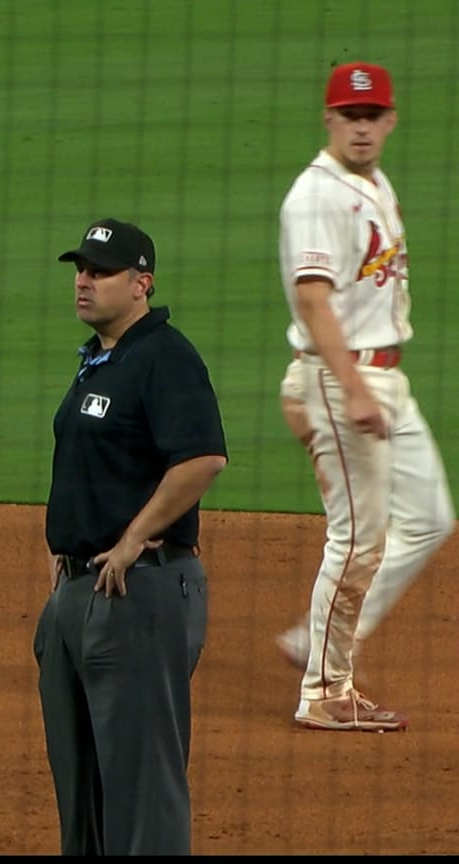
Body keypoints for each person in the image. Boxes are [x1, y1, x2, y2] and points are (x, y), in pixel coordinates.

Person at [271, 62, 455, 732]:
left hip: (384, 378)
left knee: (431, 516)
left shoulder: (372, 181)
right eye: (350, 115)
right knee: (357, 538)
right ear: (329, 119)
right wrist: (349, 389)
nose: (362, 126)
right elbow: (314, 300)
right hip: (339, 376)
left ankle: (316, 644)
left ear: (391, 118)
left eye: (372, 114)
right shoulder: (318, 194)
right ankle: (323, 690)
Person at [34, 218, 228, 854]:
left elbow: (202, 458)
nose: (83, 281)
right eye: (80, 269)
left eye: (100, 271)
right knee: (82, 793)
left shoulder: (164, 356)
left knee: (142, 792)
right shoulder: (100, 360)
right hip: (78, 597)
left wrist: (132, 537)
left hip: (138, 593)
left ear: (141, 283)